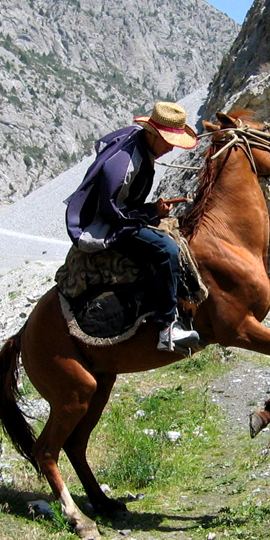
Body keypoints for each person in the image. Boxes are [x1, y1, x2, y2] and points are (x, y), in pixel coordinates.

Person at [64, 101, 201, 353]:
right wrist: (151, 212)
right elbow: (113, 212)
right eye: (168, 141)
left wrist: (151, 210)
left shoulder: (140, 144)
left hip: (118, 213)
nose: (171, 148)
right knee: (167, 250)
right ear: (153, 134)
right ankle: (167, 328)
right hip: (102, 224)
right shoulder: (125, 164)